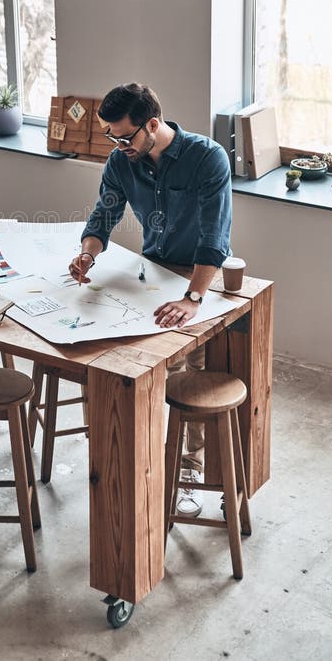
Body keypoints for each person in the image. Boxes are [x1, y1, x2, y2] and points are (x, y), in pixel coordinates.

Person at [69, 83, 231, 517]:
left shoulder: (207, 158)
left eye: (124, 137)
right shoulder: (122, 161)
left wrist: (194, 297)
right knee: (127, 363)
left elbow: (215, 237)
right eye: (110, 136)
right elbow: (103, 215)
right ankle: (135, 462)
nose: (118, 146)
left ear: (152, 125)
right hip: (153, 269)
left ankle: (187, 470)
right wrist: (88, 252)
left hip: (199, 273)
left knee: (184, 371)